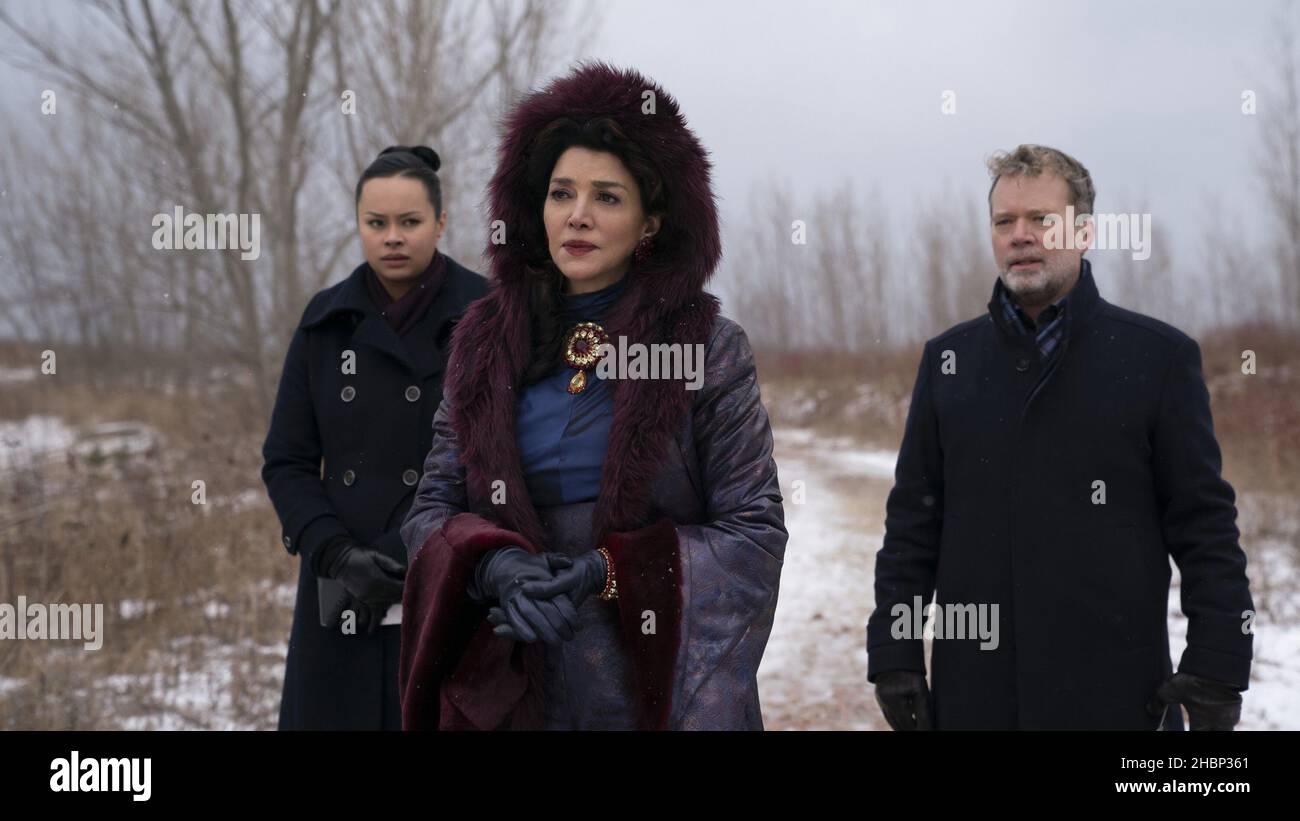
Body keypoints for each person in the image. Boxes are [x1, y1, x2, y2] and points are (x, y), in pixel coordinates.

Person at [398, 62, 787, 730]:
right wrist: (495, 568)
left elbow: (753, 529)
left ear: (650, 224)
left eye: (607, 196)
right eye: (561, 193)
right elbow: (429, 509)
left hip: (653, 691)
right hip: (516, 681)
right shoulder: (482, 346)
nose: (577, 215)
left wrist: (607, 572)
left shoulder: (707, 349)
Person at [866, 144, 1254, 730]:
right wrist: (894, 655)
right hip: (978, 698)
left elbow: (1204, 524)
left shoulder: (1158, 359)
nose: (1021, 236)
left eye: (1042, 219)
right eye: (1004, 222)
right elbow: (913, 527)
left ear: (1084, 232)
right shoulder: (948, 361)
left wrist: (1220, 661)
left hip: (1119, 702)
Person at [261, 145, 488, 729]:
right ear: (358, 223)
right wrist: (336, 554)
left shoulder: (486, 317)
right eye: (376, 223)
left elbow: (500, 465)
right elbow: (286, 461)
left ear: (440, 222)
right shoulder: (324, 322)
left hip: (450, 581)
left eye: (410, 222)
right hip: (340, 590)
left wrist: (404, 550)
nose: (393, 237)